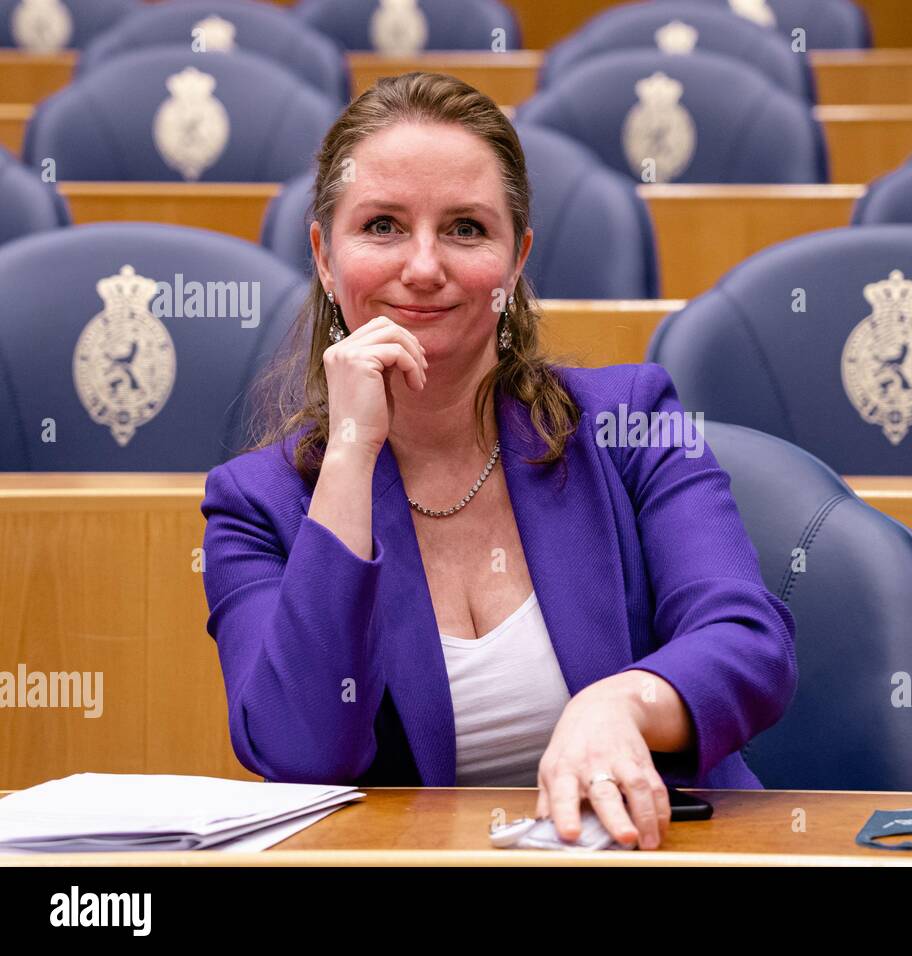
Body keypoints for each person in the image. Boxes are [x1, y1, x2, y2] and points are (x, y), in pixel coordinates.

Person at [199, 72, 797, 851]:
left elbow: (750, 641)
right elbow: (301, 754)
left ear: (516, 260)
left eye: (466, 229)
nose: (422, 266)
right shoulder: (255, 504)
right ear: (323, 256)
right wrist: (350, 455)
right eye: (381, 225)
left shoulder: (633, 422)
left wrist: (620, 703)